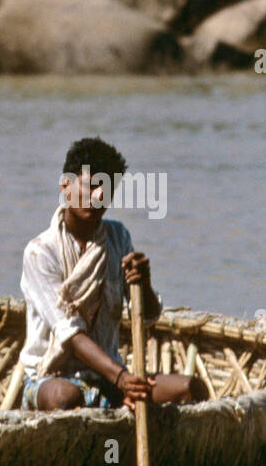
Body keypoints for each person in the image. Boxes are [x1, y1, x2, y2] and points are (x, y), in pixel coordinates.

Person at [19, 137, 208, 411]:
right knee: (66, 398)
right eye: (91, 185)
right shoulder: (40, 252)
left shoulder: (118, 237)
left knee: (189, 388)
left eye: (106, 189)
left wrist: (143, 283)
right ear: (65, 186)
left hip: (108, 379)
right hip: (53, 378)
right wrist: (121, 379)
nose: (98, 197)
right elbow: (70, 335)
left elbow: (147, 317)